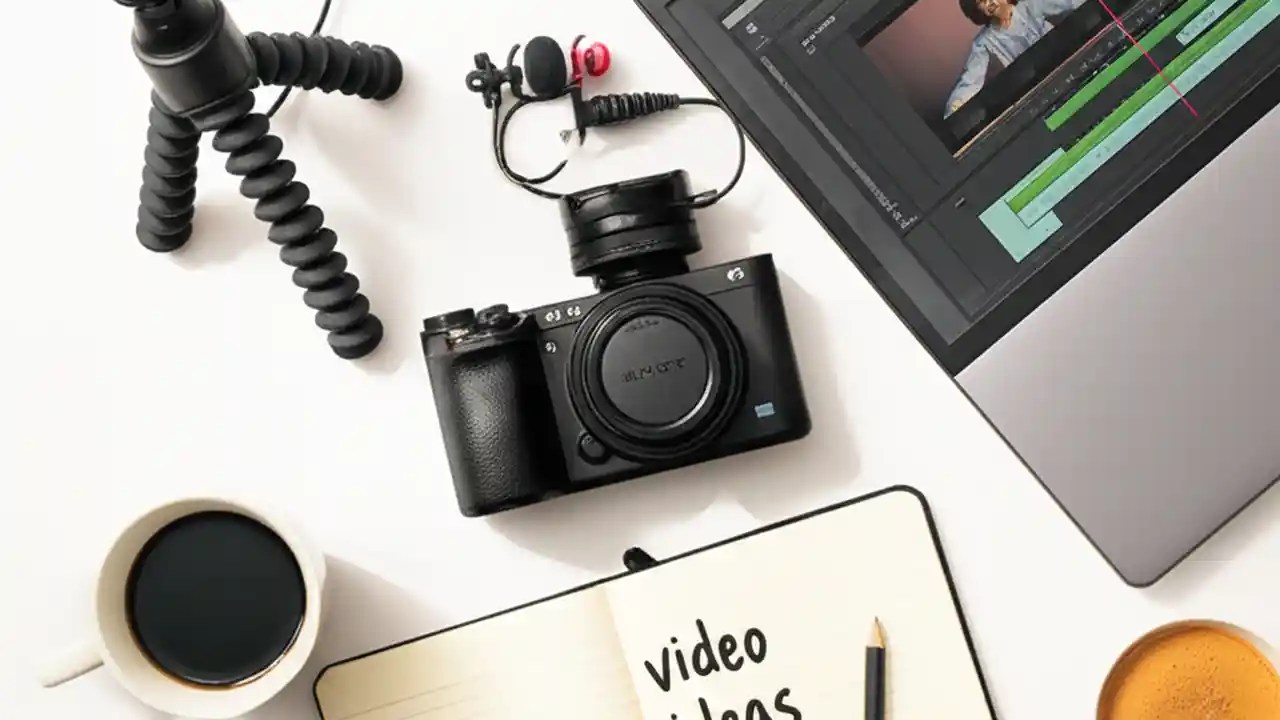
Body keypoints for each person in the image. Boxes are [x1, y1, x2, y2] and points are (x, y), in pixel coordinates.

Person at [944, 0, 1087, 117]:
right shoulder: (984, 42)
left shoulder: (1030, 5)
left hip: (1067, 59)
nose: (990, 3)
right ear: (977, 9)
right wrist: (957, 106)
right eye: (981, 1)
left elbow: (1068, 2)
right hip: (1037, 87)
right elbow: (971, 79)